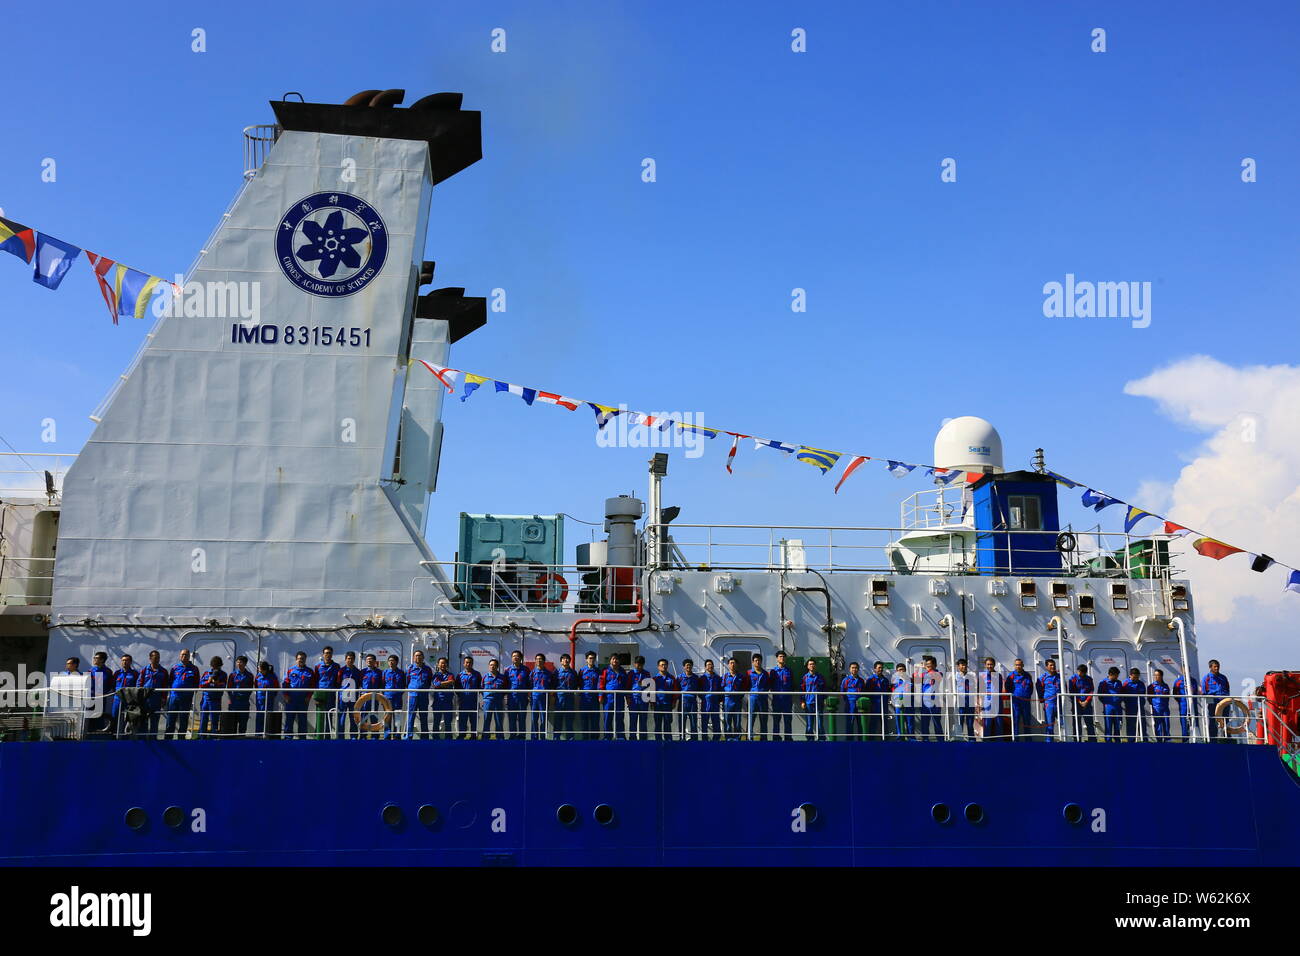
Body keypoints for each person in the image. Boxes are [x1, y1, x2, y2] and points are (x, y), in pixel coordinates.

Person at [166, 649, 201, 739]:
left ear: (189, 656)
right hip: (174, 697)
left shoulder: (194, 669)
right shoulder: (175, 668)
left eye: (186, 655)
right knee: (171, 719)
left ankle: (181, 739)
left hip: (186, 698)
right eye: (182, 654)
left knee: (183, 720)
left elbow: (196, 683)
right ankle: (168, 739)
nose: (184, 656)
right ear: (179, 656)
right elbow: (170, 681)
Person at [282, 651, 316, 739]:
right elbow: (285, 684)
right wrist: (285, 696)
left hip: (303, 700)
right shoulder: (290, 670)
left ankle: (302, 739)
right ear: (296, 659)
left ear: (305, 660)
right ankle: (288, 738)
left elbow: (312, 685)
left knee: (302, 720)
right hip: (291, 699)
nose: (301, 660)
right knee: (289, 719)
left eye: (303, 659)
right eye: (299, 658)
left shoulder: (310, 672)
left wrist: (308, 697)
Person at [313, 646, 342, 739]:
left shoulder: (336, 666)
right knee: (319, 716)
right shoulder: (317, 666)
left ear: (332, 654)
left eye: (329, 653)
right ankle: (318, 736)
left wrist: (337, 693)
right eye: (326, 653)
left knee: (329, 715)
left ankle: (328, 737)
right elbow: (315, 681)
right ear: (323, 654)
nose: (328, 655)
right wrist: (315, 696)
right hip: (320, 693)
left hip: (331, 693)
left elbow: (338, 681)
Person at [138, 650, 169, 738]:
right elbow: (139, 683)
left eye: (158, 657)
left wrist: (164, 698)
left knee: (154, 721)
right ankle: (142, 739)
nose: (156, 659)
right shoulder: (144, 670)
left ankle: (153, 739)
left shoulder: (163, 671)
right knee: (143, 720)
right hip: (144, 699)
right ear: (150, 658)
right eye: (155, 657)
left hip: (156, 699)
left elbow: (165, 686)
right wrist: (139, 697)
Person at [405, 649, 434, 740]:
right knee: (410, 716)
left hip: (423, 696)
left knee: (423, 716)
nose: (418, 657)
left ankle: (424, 736)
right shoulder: (410, 669)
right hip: (412, 696)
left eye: (420, 655)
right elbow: (407, 681)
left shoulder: (428, 669)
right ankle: (409, 736)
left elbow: (429, 681)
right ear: (414, 658)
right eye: (416, 655)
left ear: (423, 657)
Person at [600, 654, 629, 740]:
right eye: (613, 659)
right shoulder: (605, 670)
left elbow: (626, 684)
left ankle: (620, 736)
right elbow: (601, 683)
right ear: (610, 661)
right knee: (608, 717)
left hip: (620, 697)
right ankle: (607, 736)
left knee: (619, 717)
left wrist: (627, 696)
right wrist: (600, 695)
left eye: (617, 659)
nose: (615, 661)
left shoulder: (622, 671)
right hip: (608, 698)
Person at [1004, 659, 1035, 740]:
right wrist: (1014, 697)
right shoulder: (1011, 676)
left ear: (1023, 665)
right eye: (1017, 665)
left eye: (1020, 665)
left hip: (1026, 702)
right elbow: (1007, 688)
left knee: (1027, 721)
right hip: (1016, 702)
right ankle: (1016, 740)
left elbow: (1031, 688)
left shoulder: (1028, 675)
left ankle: (1028, 741)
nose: (1018, 666)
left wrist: (1027, 696)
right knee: (1015, 721)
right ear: (1014, 666)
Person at [335, 651, 363, 739]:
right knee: (341, 719)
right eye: (348, 658)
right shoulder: (341, 671)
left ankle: (353, 737)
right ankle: (340, 737)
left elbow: (359, 684)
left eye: (351, 659)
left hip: (353, 698)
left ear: (354, 660)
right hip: (343, 698)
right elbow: (337, 683)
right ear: (345, 659)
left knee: (353, 719)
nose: (350, 660)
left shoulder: (357, 672)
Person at [198, 656, 227, 738]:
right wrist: (209, 681)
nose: (215, 668)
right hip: (205, 700)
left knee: (214, 721)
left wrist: (217, 683)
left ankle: (213, 738)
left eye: (217, 666)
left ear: (220, 665)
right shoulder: (206, 673)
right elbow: (200, 685)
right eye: (214, 666)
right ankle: (202, 738)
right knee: (203, 720)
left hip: (216, 700)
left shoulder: (223, 674)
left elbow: (223, 686)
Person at [111, 654, 139, 737]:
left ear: (130, 662)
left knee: (128, 719)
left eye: (126, 660)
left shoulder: (134, 674)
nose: (124, 662)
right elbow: (113, 685)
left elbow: (136, 686)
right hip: (117, 699)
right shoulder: (117, 673)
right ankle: (114, 736)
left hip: (129, 700)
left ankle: (126, 737)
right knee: (115, 717)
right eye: (123, 660)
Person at [504, 650, 531, 740]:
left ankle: (522, 736)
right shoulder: (507, 670)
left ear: (521, 658)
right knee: (512, 718)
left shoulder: (526, 670)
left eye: (517, 656)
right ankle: (513, 735)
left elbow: (529, 683)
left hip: (522, 697)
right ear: (511, 658)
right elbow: (505, 684)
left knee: (522, 717)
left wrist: (528, 695)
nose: (515, 657)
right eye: (514, 656)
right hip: (511, 697)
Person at [769, 651, 795, 742]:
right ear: (777, 658)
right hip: (777, 699)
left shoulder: (789, 671)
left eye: (784, 656)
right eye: (780, 656)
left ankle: (788, 737)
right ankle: (776, 737)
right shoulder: (773, 671)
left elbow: (792, 684)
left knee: (788, 720)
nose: (782, 658)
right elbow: (770, 684)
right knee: (776, 719)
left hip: (787, 699)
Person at [227, 655, 255, 737]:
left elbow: (250, 688)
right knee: (232, 723)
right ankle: (232, 741)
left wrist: (244, 696)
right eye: (238, 662)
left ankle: (241, 740)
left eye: (241, 662)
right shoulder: (232, 675)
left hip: (244, 703)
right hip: (234, 702)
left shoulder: (249, 675)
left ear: (245, 663)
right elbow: (229, 688)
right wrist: (231, 698)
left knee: (243, 723)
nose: (239, 664)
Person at [529, 653, 556, 739]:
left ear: (544, 661)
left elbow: (552, 685)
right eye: (537, 659)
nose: (539, 660)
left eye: (540, 659)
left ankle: (543, 736)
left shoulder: (548, 673)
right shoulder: (532, 673)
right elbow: (529, 684)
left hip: (545, 699)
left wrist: (552, 697)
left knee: (543, 718)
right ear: (535, 661)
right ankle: (534, 737)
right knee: (534, 719)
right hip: (534, 698)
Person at [455, 655, 482, 739]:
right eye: (466, 662)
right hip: (463, 701)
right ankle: (462, 735)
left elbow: (480, 687)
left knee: (473, 719)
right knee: (463, 719)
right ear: (464, 664)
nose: (468, 664)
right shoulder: (460, 675)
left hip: (473, 701)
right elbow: (456, 688)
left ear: (472, 664)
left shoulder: (477, 674)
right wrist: (461, 696)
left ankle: (473, 735)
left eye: (470, 662)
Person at [1203, 660, 1230, 741]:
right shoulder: (1206, 678)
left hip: (1224, 701)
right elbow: (1204, 692)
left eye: (1218, 666)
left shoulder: (1223, 677)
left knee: (1225, 719)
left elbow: (1227, 689)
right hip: (1213, 702)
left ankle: (1226, 738)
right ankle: (1213, 739)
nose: (1217, 668)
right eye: (1215, 666)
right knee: (1213, 720)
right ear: (1210, 667)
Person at [918, 656, 944, 741]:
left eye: (930, 664)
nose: (928, 666)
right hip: (925, 702)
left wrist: (925, 668)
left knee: (936, 722)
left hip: (935, 702)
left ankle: (940, 740)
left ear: (935, 665)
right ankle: (925, 739)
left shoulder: (938, 673)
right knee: (924, 722)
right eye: (927, 664)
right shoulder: (924, 674)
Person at [554, 653, 580, 740]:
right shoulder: (556, 672)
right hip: (559, 698)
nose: (566, 660)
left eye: (567, 659)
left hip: (570, 698)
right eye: (564, 659)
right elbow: (553, 685)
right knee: (558, 718)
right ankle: (556, 737)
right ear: (561, 661)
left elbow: (576, 684)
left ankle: (570, 737)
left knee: (569, 718)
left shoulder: (573, 672)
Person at [721, 658, 748, 741]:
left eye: (734, 663)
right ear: (728, 665)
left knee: (737, 721)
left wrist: (738, 697)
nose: (732, 664)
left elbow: (743, 688)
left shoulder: (741, 677)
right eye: (731, 663)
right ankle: (728, 737)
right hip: (727, 701)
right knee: (727, 721)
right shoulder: (725, 676)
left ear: (736, 665)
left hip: (737, 701)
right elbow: (721, 688)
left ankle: (737, 738)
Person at [88, 652, 114, 736]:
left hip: (101, 698)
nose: (94, 660)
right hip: (90, 698)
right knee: (89, 717)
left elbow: (110, 684)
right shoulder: (91, 671)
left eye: (96, 658)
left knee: (99, 716)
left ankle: (98, 735)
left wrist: (103, 693)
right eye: (94, 658)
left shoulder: (108, 671)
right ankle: (88, 734)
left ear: (102, 660)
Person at [800, 658, 827, 741]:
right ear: (808, 666)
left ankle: (821, 739)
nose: (812, 665)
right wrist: (802, 701)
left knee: (820, 723)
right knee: (809, 723)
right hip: (809, 703)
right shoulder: (805, 678)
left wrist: (825, 699)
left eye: (813, 664)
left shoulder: (820, 677)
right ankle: (810, 739)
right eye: (810, 664)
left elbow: (824, 689)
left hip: (819, 703)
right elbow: (802, 690)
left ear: (815, 666)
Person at [746, 654, 770, 741]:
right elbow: (746, 685)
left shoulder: (765, 673)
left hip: (763, 699)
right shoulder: (748, 673)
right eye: (756, 660)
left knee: (763, 719)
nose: (757, 662)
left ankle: (763, 738)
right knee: (751, 718)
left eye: (759, 660)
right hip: (752, 698)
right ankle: (749, 737)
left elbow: (768, 685)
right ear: (752, 662)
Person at [1036, 659, 1062, 741]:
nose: (1053, 666)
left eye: (1054, 665)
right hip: (1049, 703)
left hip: (1060, 703)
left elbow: (1065, 687)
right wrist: (1042, 699)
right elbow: (1039, 688)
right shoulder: (1042, 678)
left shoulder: (1059, 677)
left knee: (1063, 722)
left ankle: (1065, 740)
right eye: (1051, 665)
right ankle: (1049, 742)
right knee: (1049, 724)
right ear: (1046, 667)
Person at [863, 661, 890, 740]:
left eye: (882, 668)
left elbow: (888, 691)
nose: (880, 669)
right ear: (875, 669)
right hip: (874, 704)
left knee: (884, 722)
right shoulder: (870, 680)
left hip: (884, 704)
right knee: (873, 722)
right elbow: (867, 692)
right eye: (879, 668)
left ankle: (885, 739)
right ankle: (872, 740)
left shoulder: (885, 680)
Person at [481, 658, 508, 738]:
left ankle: (500, 738)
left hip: (498, 701)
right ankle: (485, 738)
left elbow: (505, 689)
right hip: (487, 701)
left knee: (499, 721)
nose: (492, 667)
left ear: (497, 667)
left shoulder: (502, 677)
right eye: (491, 665)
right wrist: (486, 698)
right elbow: (481, 688)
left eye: (494, 665)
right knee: (486, 720)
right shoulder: (485, 677)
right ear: (489, 666)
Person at [651, 659, 677, 741]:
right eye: (662, 665)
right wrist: (652, 702)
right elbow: (651, 692)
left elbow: (675, 691)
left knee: (667, 723)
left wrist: (674, 702)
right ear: (658, 667)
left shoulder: (672, 678)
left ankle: (668, 740)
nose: (664, 666)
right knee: (658, 723)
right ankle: (658, 740)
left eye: (665, 664)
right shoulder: (654, 679)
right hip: (657, 705)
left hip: (667, 705)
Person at [627, 656, 652, 740]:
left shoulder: (646, 674)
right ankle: (632, 737)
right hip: (633, 699)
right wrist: (628, 698)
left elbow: (650, 687)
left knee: (643, 720)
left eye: (641, 664)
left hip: (644, 699)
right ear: (635, 664)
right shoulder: (631, 673)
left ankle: (643, 738)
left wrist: (650, 700)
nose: (639, 666)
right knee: (633, 720)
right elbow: (628, 686)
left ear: (643, 664)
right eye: (637, 664)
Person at [381, 655, 406, 740]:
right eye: (389, 661)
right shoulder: (385, 672)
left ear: (396, 662)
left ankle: (397, 735)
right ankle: (387, 735)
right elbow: (382, 685)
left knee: (397, 718)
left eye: (392, 661)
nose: (391, 662)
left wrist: (398, 693)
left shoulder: (401, 673)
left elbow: (403, 685)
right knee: (387, 718)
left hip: (398, 699)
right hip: (387, 698)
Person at [1069, 664, 1096, 742]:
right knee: (1076, 723)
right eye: (1079, 672)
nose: (1080, 674)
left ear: (1085, 672)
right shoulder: (1073, 679)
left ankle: (1092, 740)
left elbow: (1091, 691)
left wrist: (1086, 701)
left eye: (1082, 672)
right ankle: (1077, 740)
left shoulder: (1089, 679)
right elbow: (1072, 691)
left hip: (1087, 704)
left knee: (1089, 722)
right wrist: (1079, 701)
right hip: (1076, 704)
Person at [977, 657, 1002, 740]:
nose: (989, 666)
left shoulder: (998, 675)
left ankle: (999, 741)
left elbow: (1000, 689)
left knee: (998, 722)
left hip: (997, 702)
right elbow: (979, 690)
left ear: (994, 665)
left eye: (991, 664)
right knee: (987, 723)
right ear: (985, 665)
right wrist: (979, 703)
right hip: (986, 702)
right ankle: (987, 741)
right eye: (988, 664)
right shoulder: (982, 675)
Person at [431, 657, 456, 739]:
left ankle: (448, 738)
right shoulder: (436, 675)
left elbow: (452, 682)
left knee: (448, 721)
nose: (443, 665)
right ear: (438, 665)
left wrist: (441, 683)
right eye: (441, 663)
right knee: (436, 721)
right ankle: (435, 738)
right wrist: (446, 683)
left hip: (448, 701)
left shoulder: (450, 675)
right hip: (438, 701)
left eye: (444, 663)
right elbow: (436, 684)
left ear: (447, 665)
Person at [1098, 666, 1124, 743]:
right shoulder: (1103, 682)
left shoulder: (1119, 682)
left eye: (1117, 675)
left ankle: (1117, 741)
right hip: (1108, 706)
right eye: (1115, 675)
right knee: (1108, 724)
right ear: (1110, 674)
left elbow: (1122, 693)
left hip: (1117, 706)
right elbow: (1100, 695)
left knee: (1117, 725)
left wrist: (1119, 700)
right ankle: (1108, 741)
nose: (1117, 677)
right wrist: (1105, 703)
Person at [579, 651, 602, 740]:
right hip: (584, 699)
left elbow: (600, 684)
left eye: (593, 658)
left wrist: (600, 696)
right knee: (584, 719)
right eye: (590, 658)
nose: (591, 660)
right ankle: (585, 739)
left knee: (595, 720)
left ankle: (594, 740)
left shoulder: (598, 671)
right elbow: (579, 683)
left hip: (594, 699)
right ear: (586, 660)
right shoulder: (582, 671)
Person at [676, 659, 701, 740]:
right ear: (684, 667)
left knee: (694, 722)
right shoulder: (679, 678)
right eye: (687, 665)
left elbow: (699, 689)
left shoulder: (695, 678)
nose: (688, 666)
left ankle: (694, 739)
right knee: (682, 721)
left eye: (690, 665)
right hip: (682, 702)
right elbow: (676, 690)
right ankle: (681, 738)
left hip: (693, 702)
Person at [840, 662, 867, 740]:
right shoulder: (846, 680)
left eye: (856, 668)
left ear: (858, 669)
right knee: (850, 723)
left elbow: (864, 691)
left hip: (860, 705)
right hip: (850, 704)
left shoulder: (861, 680)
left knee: (860, 723)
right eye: (853, 667)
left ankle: (860, 741)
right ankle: (849, 741)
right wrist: (848, 701)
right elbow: (842, 692)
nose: (854, 669)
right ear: (849, 669)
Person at [254, 660, 280, 738]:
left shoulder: (272, 676)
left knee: (268, 718)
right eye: (258, 668)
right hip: (260, 701)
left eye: (260, 668)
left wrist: (271, 697)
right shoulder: (258, 676)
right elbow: (256, 686)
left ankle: (267, 735)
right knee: (259, 718)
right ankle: (258, 735)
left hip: (269, 701)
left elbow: (276, 688)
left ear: (265, 669)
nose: (259, 670)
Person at [699, 659, 723, 741]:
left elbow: (721, 689)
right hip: (705, 702)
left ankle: (716, 739)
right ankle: (704, 739)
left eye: (711, 664)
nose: (710, 666)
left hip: (715, 702)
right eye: (708, 664)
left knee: (716, 720)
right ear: (705, 667)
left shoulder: (718, 678)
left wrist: (718, 699)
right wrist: (704, 698)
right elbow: (699, 690)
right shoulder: (702, 678)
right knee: (704, 721)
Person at [1121, 667, 1147, 742]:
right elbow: (1122, 694)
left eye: (1137, 677)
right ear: (1130, 675)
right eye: (1135, 677)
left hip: (1140, 707)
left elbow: (1143, 694)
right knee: (1131, 724)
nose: (1136, 678)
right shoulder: (1125, 683)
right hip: (1130, 707)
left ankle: (1144, 739)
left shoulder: (1141, 683)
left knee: (1142, 723)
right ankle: (1131, 740)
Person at [952, 659, 975, 741]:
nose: (964, 666)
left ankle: (972, 738)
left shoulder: (971, 676)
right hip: (960, 701)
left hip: (970, 701)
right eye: (962, 665)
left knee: (970, 722)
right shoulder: (955, 676)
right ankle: (959, 738)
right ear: (958, 666)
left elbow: (974, 687)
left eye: (965, 664)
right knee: (959, 721)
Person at [1174, 672, 1200, 741]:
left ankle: (1196, 738)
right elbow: (1175, 693)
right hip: (1183, 705)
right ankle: (1185, 739)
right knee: (1184, 723)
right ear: (1182, 670)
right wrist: (1181, 700)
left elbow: (1195, 692)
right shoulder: (1178, 681)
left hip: (1193, 705)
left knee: (1195, 721)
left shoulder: (1193, 680)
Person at [890, 663, 914, 740]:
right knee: (899, 720)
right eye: (899, 670)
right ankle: (900, 736)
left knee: (909, 720)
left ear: (905, 670)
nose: (901, 671)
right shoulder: (894, 681)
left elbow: (913, 690)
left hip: (908, 703)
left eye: (902, 669)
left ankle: (911, 737)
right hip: (898, 703)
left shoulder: (910, 679)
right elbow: (892, 691)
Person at [1149, 669, 1172, 740]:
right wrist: (1154, 704)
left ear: (1161, 676)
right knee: (1158, 725)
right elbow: (1149, 698)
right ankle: (1159, 740)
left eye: (1157, 675)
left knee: (1166, 724)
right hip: (1156, 708)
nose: (1156, 677)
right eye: (1155, 675)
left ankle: (1167, 739)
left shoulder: (1165, 686)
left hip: (1165, 708)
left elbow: (1168, 697)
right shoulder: (1151, 686)